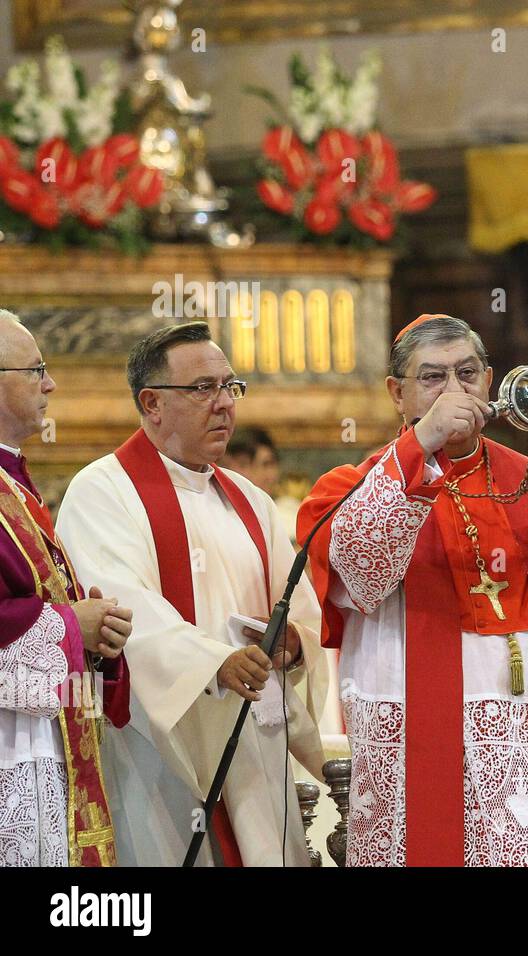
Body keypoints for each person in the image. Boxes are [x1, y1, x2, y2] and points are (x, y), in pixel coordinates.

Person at [299, 313, 528, 866]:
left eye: (467, 373)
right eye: (433, 378)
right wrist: (423, 446)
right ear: (397, 393)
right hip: (420, 729)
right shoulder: (353, 486)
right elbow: (364, 572)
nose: (454, 391)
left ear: (490, 381)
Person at [56, 322, 329, 866]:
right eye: (204, 389)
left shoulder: (251, 501)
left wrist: (292, 645)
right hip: (161, 752)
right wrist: (215, 663)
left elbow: (298, 606)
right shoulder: (102, 491)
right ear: (151, 403)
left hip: (256, 746)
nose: (226, 404)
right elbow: (122, 613)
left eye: (231, 387)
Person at [0, 310, 132, 866]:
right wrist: (66, 625)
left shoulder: (15, 484)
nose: (50, 384)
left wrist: (93, 632)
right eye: (36, 370)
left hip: (40, 740)